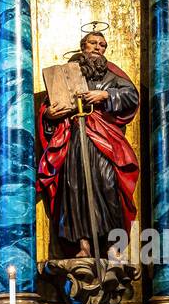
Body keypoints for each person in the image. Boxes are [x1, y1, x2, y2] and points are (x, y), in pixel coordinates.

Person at [37, 30, 139, 258]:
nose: (97, 48)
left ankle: (112, 244)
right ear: (83, 46)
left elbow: (132, 96)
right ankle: (82, 245)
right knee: (74, 187)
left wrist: (105, 96)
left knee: (108, 183)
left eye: (102, 45)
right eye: (93, 43)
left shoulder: (112, 75)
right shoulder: (65, 74)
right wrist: (50, 115)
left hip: (104, 139)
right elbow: (48, 107)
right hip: (74, 137)